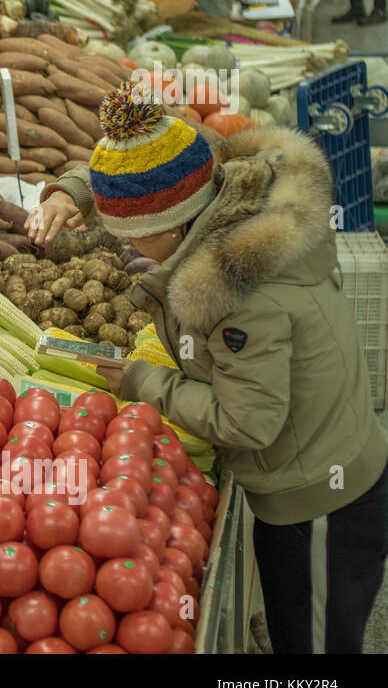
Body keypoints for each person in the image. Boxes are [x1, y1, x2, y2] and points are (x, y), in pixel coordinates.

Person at [28, 85, 388, 654]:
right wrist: (74, 192)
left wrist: (145, 384)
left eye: (130, 234)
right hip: (307, 475)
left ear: (170, 226)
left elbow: (248, 423)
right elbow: (157, 158)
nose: (124, 246)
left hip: (322, 501)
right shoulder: (226, 190)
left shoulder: (243, 291)